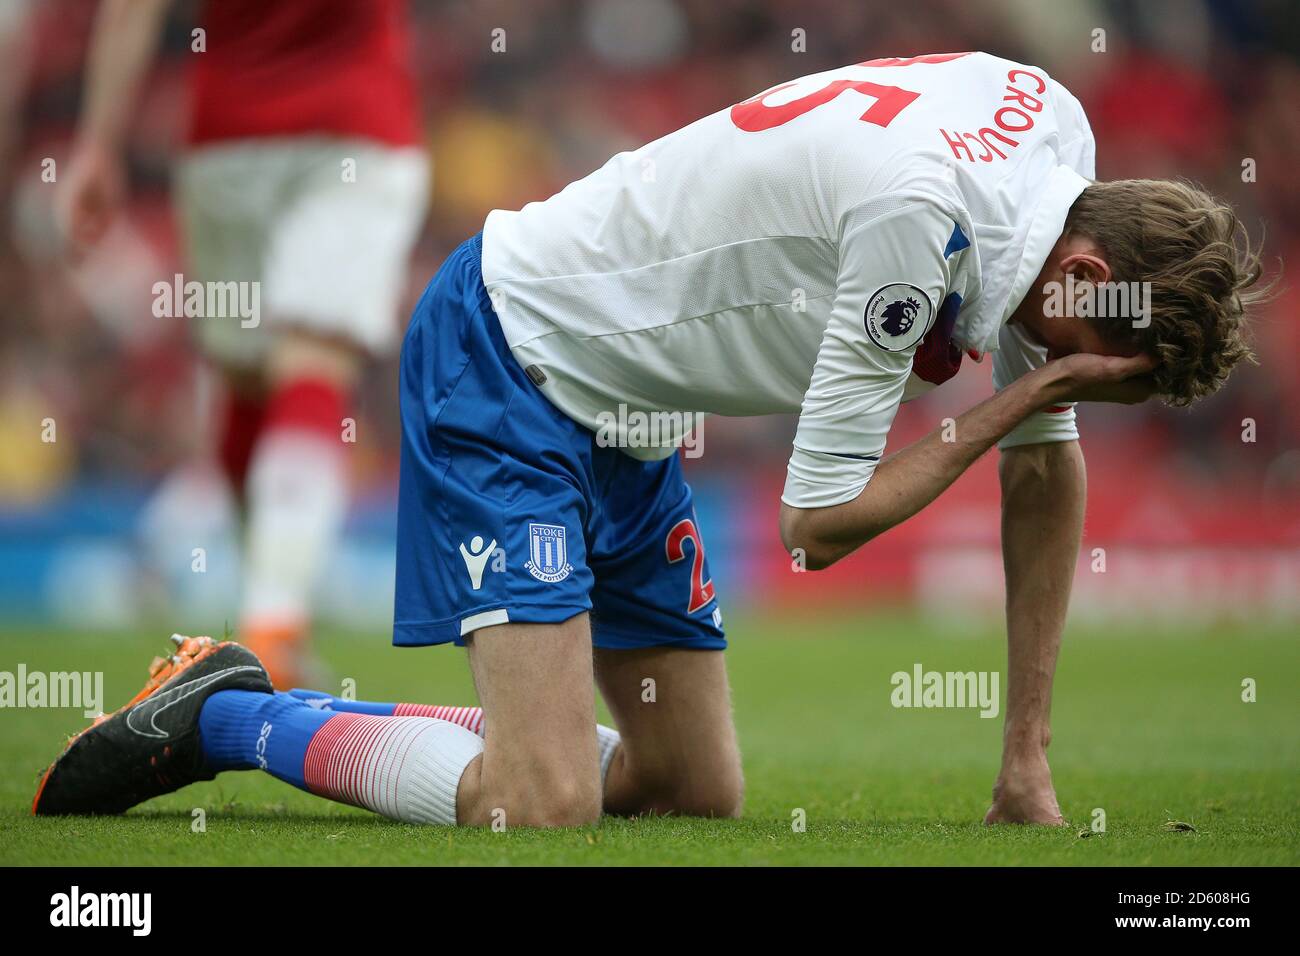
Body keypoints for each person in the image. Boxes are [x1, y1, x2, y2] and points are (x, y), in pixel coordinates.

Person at [37, 52, 1264, 828]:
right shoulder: (919, 222)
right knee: (542, 801)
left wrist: (1024, 762)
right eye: (1090, 361)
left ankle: (504, 722)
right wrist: (1016, 397)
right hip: (512, 352)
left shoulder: (1052, 131)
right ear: (1089, 271)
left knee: (691, 787)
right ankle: (226, 714)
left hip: (630, 409)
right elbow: (815, 526)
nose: (1066, 379)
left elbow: (1043, 463)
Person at [60, 0, 429, 688]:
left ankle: (271, 614)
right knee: (303, 365)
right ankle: (274, 622)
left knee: (255, 379)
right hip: (356, 122)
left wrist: (98, 142)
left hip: (226, 139)